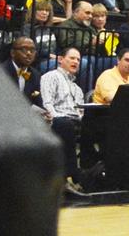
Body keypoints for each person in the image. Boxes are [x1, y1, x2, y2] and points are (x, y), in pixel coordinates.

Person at [39, 46, 87, 193]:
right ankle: (73, 173)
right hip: (56, 120)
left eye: (78, 59)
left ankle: (96, 172)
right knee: (65, 124)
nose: (76, 62)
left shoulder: (77, 88)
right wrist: (57, 118)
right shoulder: (51, 76)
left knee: (99, 125)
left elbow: (81, 110)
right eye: (72, 58)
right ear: (60, 59)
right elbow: (47, 103)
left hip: (75, 121)